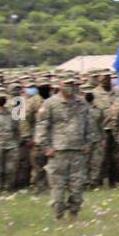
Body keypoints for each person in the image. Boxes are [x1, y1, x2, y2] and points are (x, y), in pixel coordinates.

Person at [35, 74, 94, 219]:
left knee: (77, 186)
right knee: (58, 187)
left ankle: (73, 214)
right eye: (67, 84)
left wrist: (88, 143)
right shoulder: (49, 104)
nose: (70, 87)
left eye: (72, 84)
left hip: (78, 151)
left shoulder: (81, 103)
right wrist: (45, 147)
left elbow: (89, 125)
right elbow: (41, 127)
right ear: (60, 85)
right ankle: (59, 214)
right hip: (58, 152)